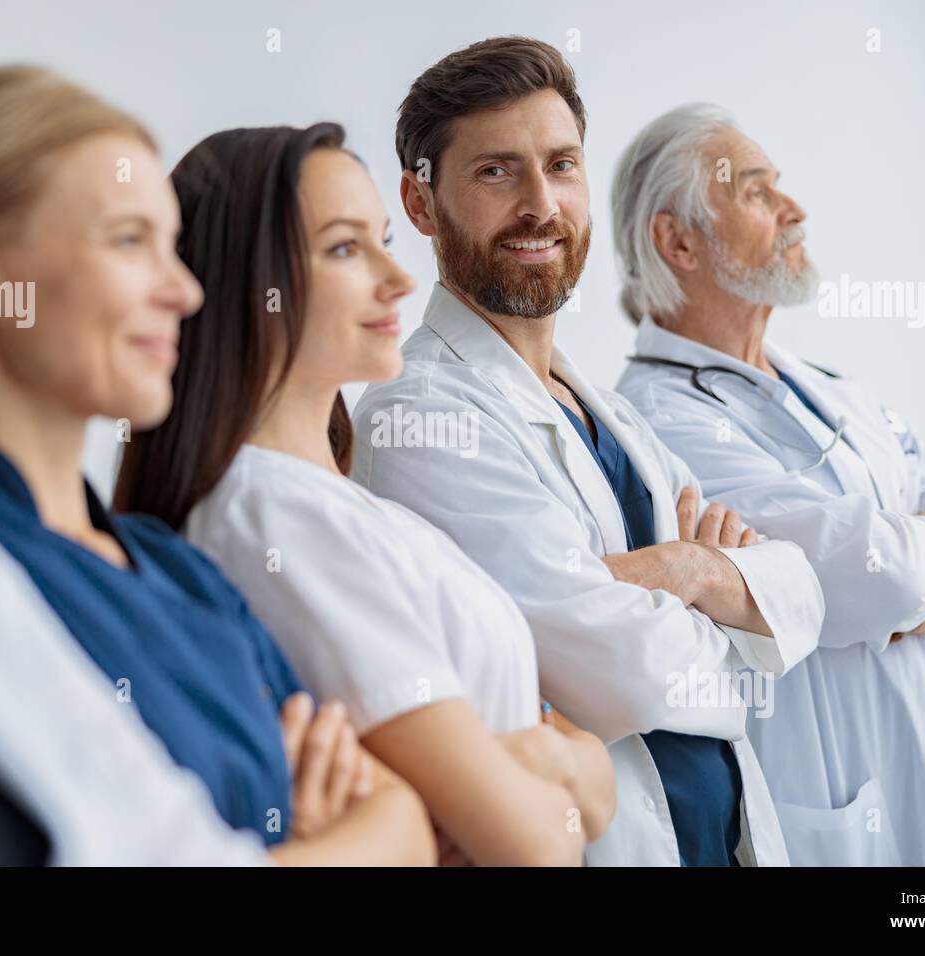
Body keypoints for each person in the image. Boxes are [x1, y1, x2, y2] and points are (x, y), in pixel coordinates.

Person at [0, 65, 433, 866]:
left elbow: (403, 821)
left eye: (172, 246)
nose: (185, 291)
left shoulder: (181, 573)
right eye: (130, 240)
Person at [351, 37, 825, 866]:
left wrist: (693, 573)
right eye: (496, 172)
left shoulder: (610, 413)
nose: (541, 203)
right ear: (420, 205)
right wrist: (732, 613)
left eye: (561, 165)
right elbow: (621, 674)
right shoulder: (417, 417)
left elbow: (800, 596)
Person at [115, 123, 616, 866]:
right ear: (249, 282)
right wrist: (554, 770)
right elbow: (534, 843)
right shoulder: (271, 517)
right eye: (347, 247)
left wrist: (564, 767)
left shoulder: (347, 508)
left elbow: (590, 789)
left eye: (383, 238)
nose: (399, 277)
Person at [611, 103, 925, 865]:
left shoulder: (831, 387)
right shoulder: (659, 423)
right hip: (837, 813)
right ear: (677, 239)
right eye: (756, 192)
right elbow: (868, 579)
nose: (794, 210)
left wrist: (902, 580)